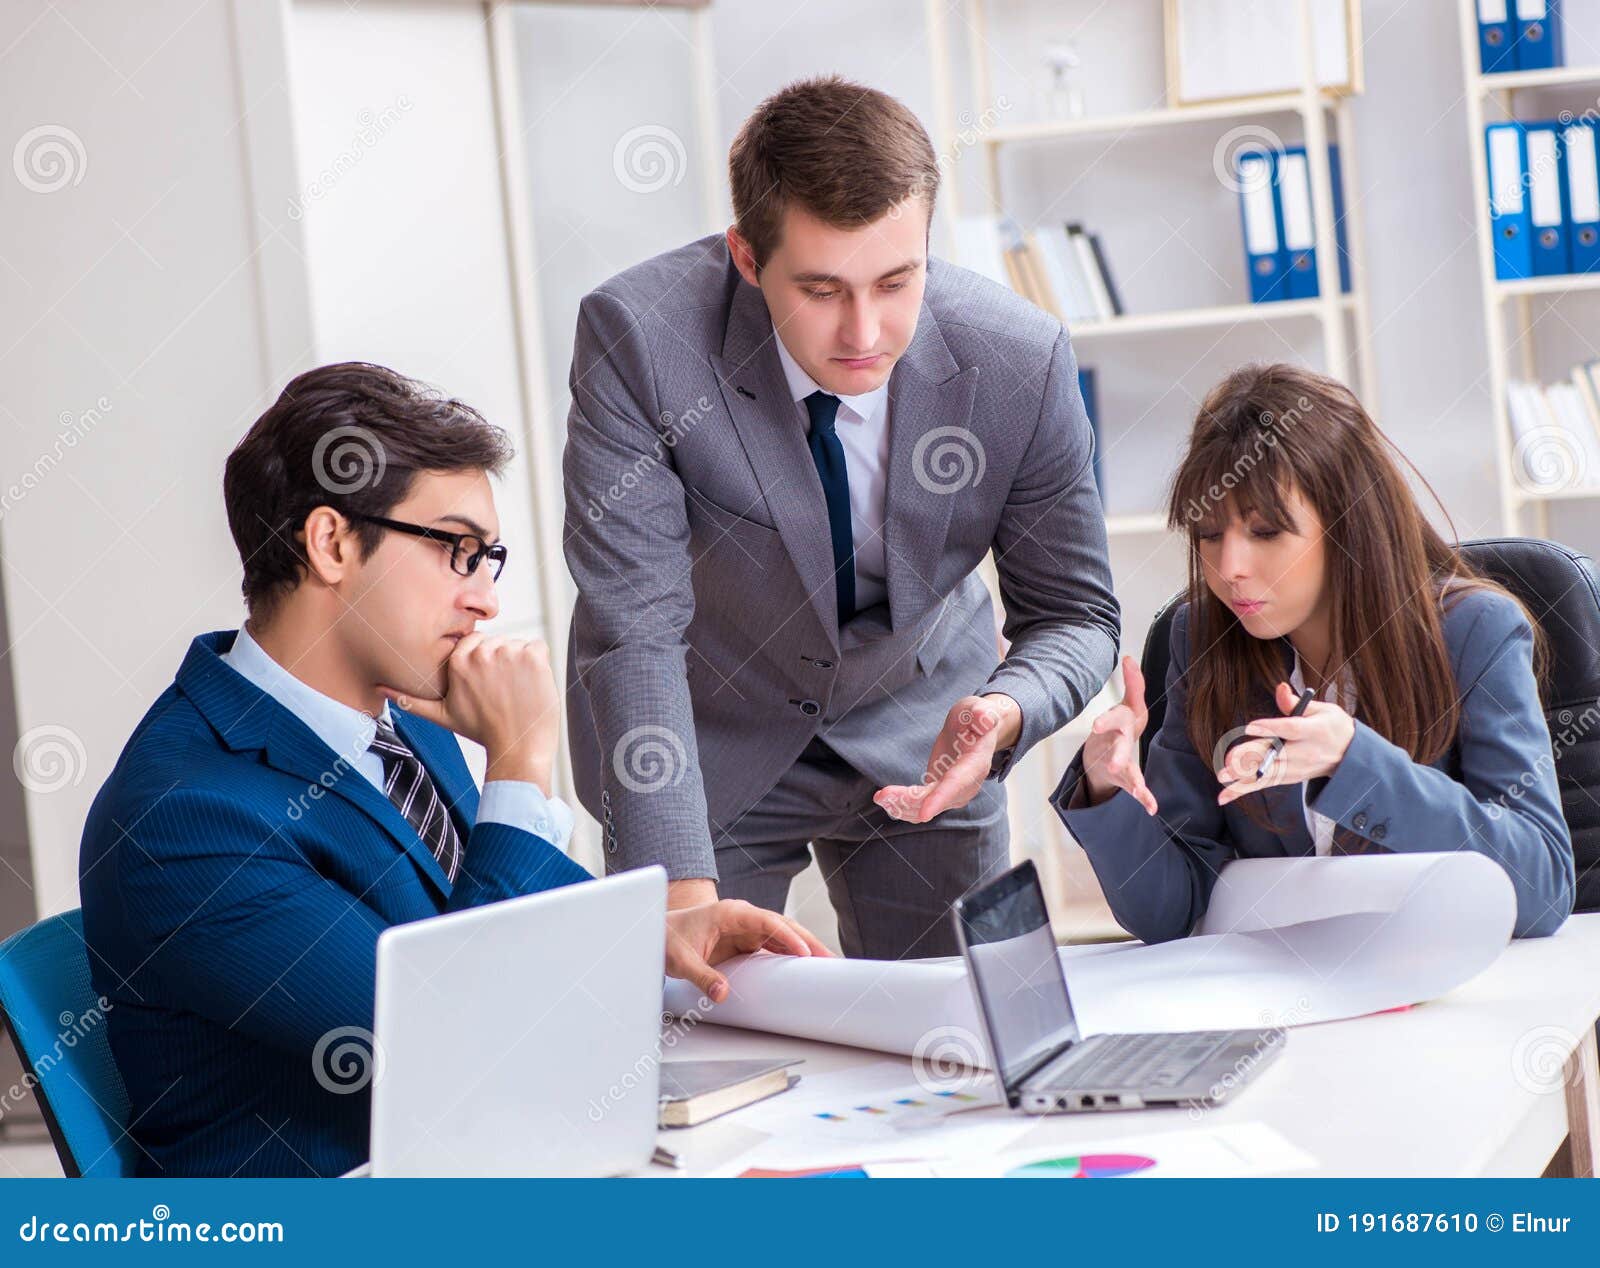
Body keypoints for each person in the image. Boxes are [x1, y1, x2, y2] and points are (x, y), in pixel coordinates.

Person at [78, 362, 827, 1178]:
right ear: (331, 543)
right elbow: (465, 1054)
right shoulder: (182, 817)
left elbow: (497, 945)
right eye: (458, 552)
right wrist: (518, 764)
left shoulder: (405, 722)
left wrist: (647, 940)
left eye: (487, 559)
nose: (485, 601)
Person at [562, 75, 1119, 960]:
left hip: (926, 730)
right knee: (700, 1047)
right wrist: (679, 887)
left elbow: (1077, 617)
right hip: (708, 743)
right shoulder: (641, 341)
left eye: (897, 282)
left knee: (960, 1037)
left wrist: (1005, 712)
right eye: (821, 291)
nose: (865, 330)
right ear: (748, 259)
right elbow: (633, 628)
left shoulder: (1019, 359)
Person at [1053, 362, 1575, 944]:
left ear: (1347, 525)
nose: (1230, 569)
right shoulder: (1200, 640)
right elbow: (1170, 913)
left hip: (1440, 987)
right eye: (1208, 534)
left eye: (1266, 533)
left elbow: (1543, 888)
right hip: (1285, 998)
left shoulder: (1475, 630)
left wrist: (1354, 762)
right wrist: (1106, 789)